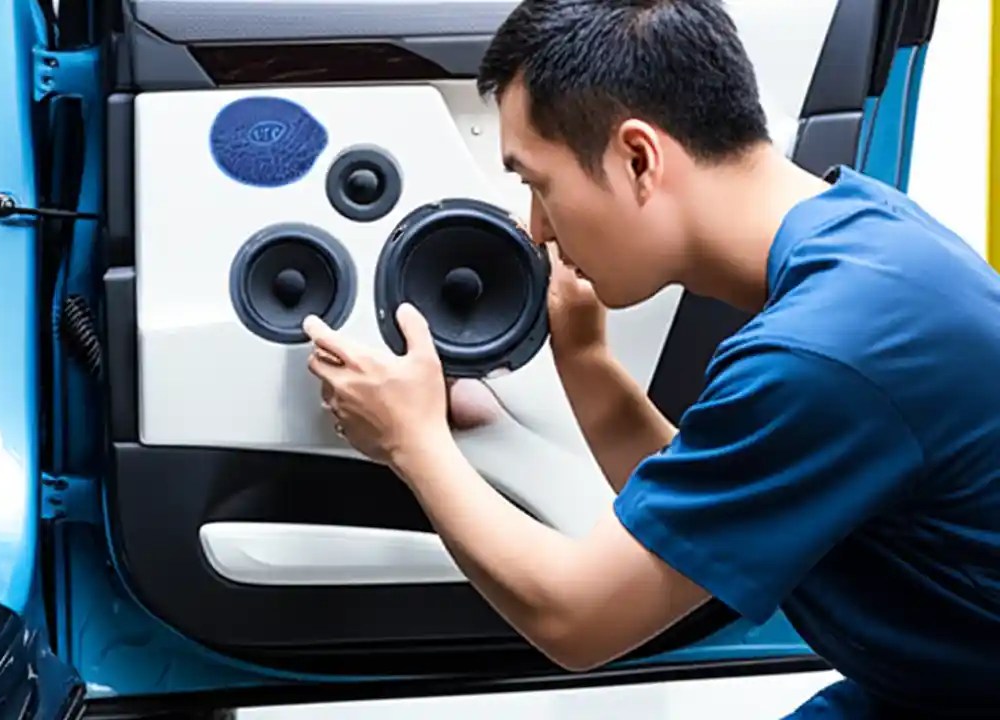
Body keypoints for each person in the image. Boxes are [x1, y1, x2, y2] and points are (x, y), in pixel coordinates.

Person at [302, 0, 1000, 717]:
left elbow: (576, 620)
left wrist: (409, 440)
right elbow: (712, 505)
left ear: (638, 158)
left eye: (539, 183)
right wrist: (582, 357)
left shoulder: (821, 353)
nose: (538, 225)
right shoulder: (864, 230)